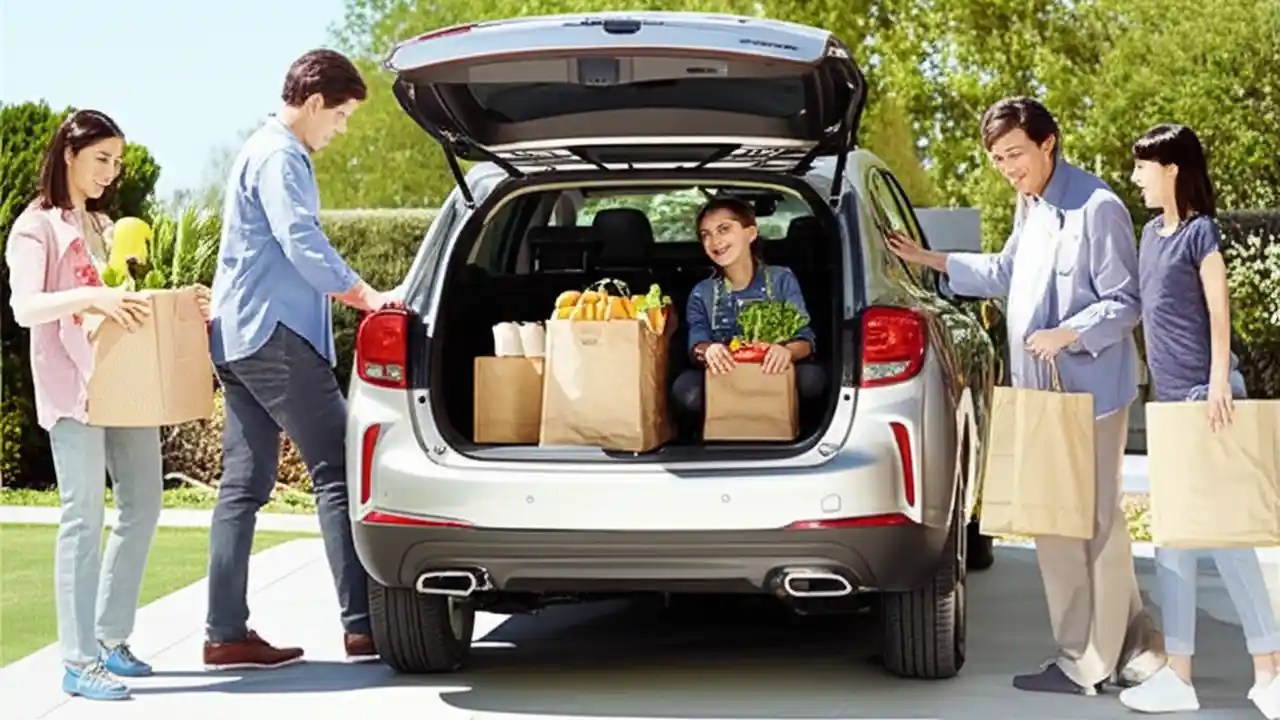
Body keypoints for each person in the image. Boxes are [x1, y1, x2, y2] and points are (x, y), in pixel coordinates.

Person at [886, 96, 1166, 695]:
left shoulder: (1099, 208)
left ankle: (1101, 658)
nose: (1006, 167)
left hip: (1092, 392)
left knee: (1096, 521)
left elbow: (1125, 300)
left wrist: (1071, 332)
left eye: (1014, 154)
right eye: (996, 158)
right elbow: (1006, 273)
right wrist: (929, 259)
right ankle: (1085, 652)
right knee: (1053, 523)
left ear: (1048, 143)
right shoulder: (1029, 205)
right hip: (1039, 393)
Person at [5, 109, 211, 700]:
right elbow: (26, 306)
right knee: (82, 519)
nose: (112, 172)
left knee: (144, 504)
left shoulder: (102, 225)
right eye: (103, 159)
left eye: (117, 162)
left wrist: (182, 299)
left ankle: (111, 637)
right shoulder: (34, 228)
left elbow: (126, 301)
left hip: (124, 385)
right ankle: (78, 660)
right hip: (73, 389)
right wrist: (92, 294)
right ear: (69, 154)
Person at [203, 49, 395, 670]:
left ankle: (225, 633)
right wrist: (366, 296)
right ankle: (364, 626)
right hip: (275, 337)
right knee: (339, 468)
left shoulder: (258, 148)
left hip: (238, 339)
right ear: (314, 103)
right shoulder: (283, 155)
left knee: (243, 487)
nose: (339, 131)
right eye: (339, 117)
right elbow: (301, 242)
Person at [1115, 124, 1280, 718]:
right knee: (1176, 542)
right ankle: (1179, 676)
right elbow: (1142, 307)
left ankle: (1269, 670)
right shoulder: (1148, 236)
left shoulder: (1198, 232)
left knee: (1227, 537)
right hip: (1172, 407)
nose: (1135, 178)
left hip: (1207, 400)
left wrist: (1216, 382)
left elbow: (1219, 307)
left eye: (1142, 168)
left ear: (1172, 170)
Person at [671, 198, 825, 431]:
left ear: (750, 233)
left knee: (812, 380)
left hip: (774, 372)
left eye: (724, 229)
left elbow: (806, 340)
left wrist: (786, 351)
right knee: (686, 389)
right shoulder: (703, 292)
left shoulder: (781, 279)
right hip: (725, 377)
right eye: (706, 234)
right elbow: (696, 344)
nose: (715, 241)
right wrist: (708, 350)